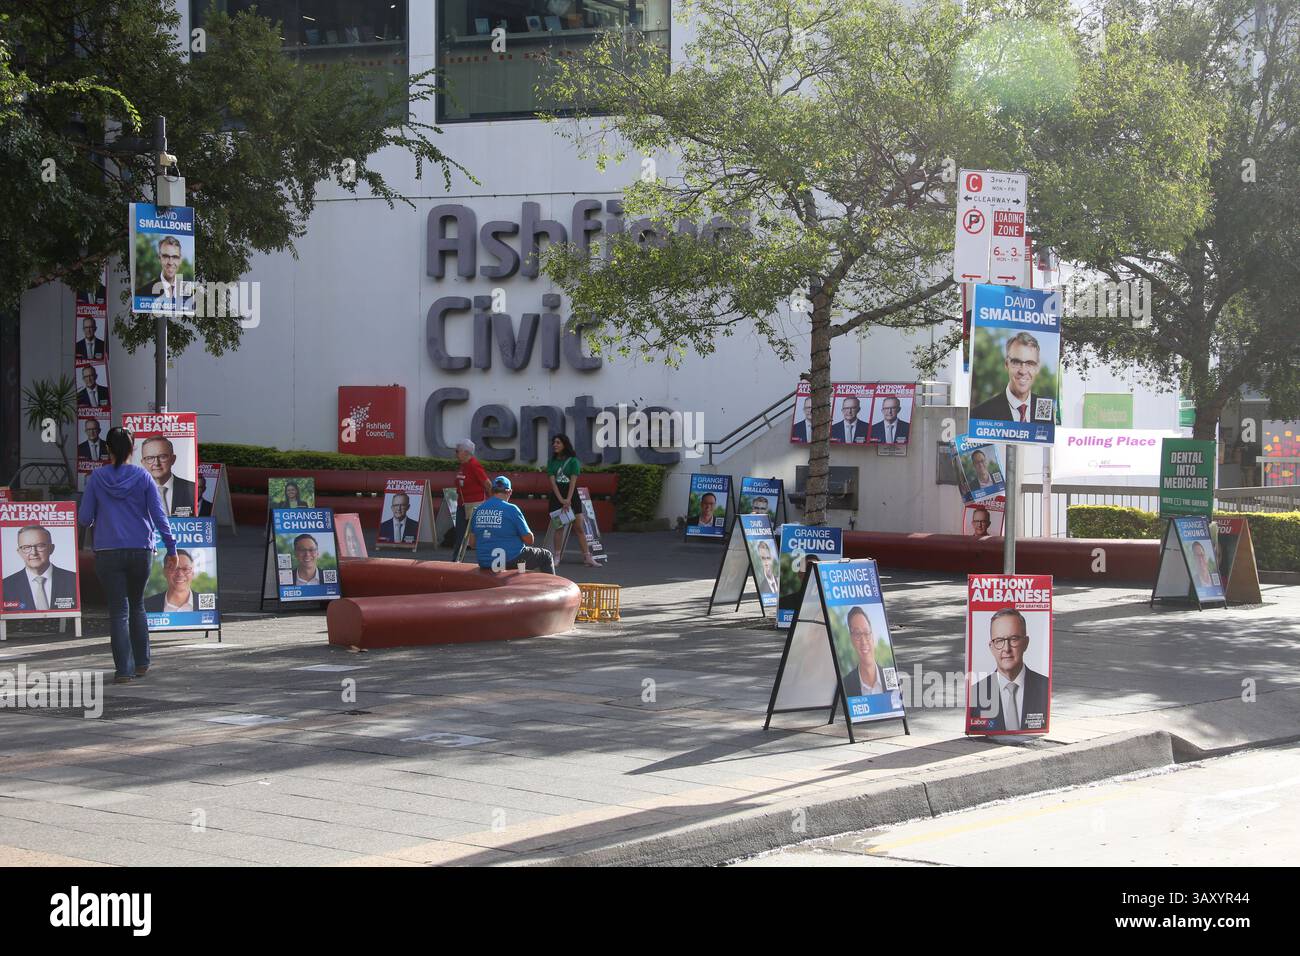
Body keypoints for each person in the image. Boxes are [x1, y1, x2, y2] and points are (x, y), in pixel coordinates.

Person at [78, 426, 177, 683]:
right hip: (140, 550)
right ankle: (142, 663)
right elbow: (159, 515)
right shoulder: (144, 478)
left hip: (108, 552)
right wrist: (171, 548)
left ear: (107, 449)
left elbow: (84, 517)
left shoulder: (96, 478)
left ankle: (123, 670)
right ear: (133, 449)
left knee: (118, 611)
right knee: (137, 605)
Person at [968, 608, 1050, 732]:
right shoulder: (977, 693)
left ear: (1026, 643)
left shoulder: (1045, 686)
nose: (1006, 648)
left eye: (1014, 639)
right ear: (991, 647)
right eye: (999, 641)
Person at [471, 476, 555, 574]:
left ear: (492, 491)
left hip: (484, 561)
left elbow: (472, 543)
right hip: (510, 560)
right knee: (546, 556)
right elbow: (529, 540)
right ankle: (552, 588)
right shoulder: (511, 509)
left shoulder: (478, 510)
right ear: (509, 492)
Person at [971, 331, 1050, 423]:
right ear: (1006, 364)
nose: (1023, 371)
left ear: (1037, 368)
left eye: (1030, 363)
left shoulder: (1044, 408)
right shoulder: (980, 414)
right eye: (1016, 362)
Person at [547, 433, 597, 567]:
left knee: (579, 527)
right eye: (554, 443)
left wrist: (568, 499)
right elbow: (553, 483)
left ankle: (587, 557)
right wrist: (561, 500)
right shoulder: (552, 461)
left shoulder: (574, 461)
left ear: (564, 444)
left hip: (572, 496)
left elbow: (573, 482)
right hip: (557, 497)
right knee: (559, 527)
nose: (555, 445)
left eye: (558, 443)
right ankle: (556, 557)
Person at [2, 525, 78, 611]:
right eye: (26, 547)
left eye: (40, 546)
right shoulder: (5, 586)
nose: (34, 552)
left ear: (51, 548)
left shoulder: (73, 580)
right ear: (19, 552)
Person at [453, 438, 491, 558]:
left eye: (457, 451)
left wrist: (491, 501)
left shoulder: (474, 465)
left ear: (465, 452)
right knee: (460, 534)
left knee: (479, 534)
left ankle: (486, 558)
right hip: (462, 504)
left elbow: (488, 484)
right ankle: (456, 560)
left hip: (475, 505)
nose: (456, 453)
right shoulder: (463, 466)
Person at [140, 436, 196, 516]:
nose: (156, 463)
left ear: (173, 459)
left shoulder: (192, 489)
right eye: (150, 458)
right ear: (143, 463)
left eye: (162, 457)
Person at [135, 235, 192, 309]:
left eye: (175, 257)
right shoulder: (142, 294)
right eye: (166, 256)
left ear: (180, 260)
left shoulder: (190, 295)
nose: (170, 262)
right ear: (159, 258)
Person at [842, 607, 887, 697]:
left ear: (873, 637)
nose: (864, 641)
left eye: (866, 633)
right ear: (852, 640)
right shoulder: (846, 684)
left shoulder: (889, 677)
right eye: (858, 634)